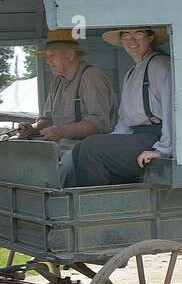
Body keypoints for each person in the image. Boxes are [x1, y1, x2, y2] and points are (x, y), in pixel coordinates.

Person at [69, 26, 173, 186]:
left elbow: (171, 111)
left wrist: (162, 151)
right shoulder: (131, 73)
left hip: (155, 138)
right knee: (80, 149)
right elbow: (125, 119)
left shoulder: (159, 66)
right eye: (126, 35)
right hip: (137, 136)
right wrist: (110, 139)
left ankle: (98, 207)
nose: (131, 41)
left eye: (138, 34)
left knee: (91, 148)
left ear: (150, 37)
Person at [19, 28, 117, 185]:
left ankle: (59, 204)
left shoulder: (91, 77)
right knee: (21, 154)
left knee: (64, 169)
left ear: (70, 55)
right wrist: (33, 128)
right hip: (61, 145)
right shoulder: (57, 80)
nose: (48, 61)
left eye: (52, 56)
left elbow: (99, 122)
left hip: (87, 149)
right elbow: (48, 117)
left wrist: (62, 132)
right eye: (47, 56)